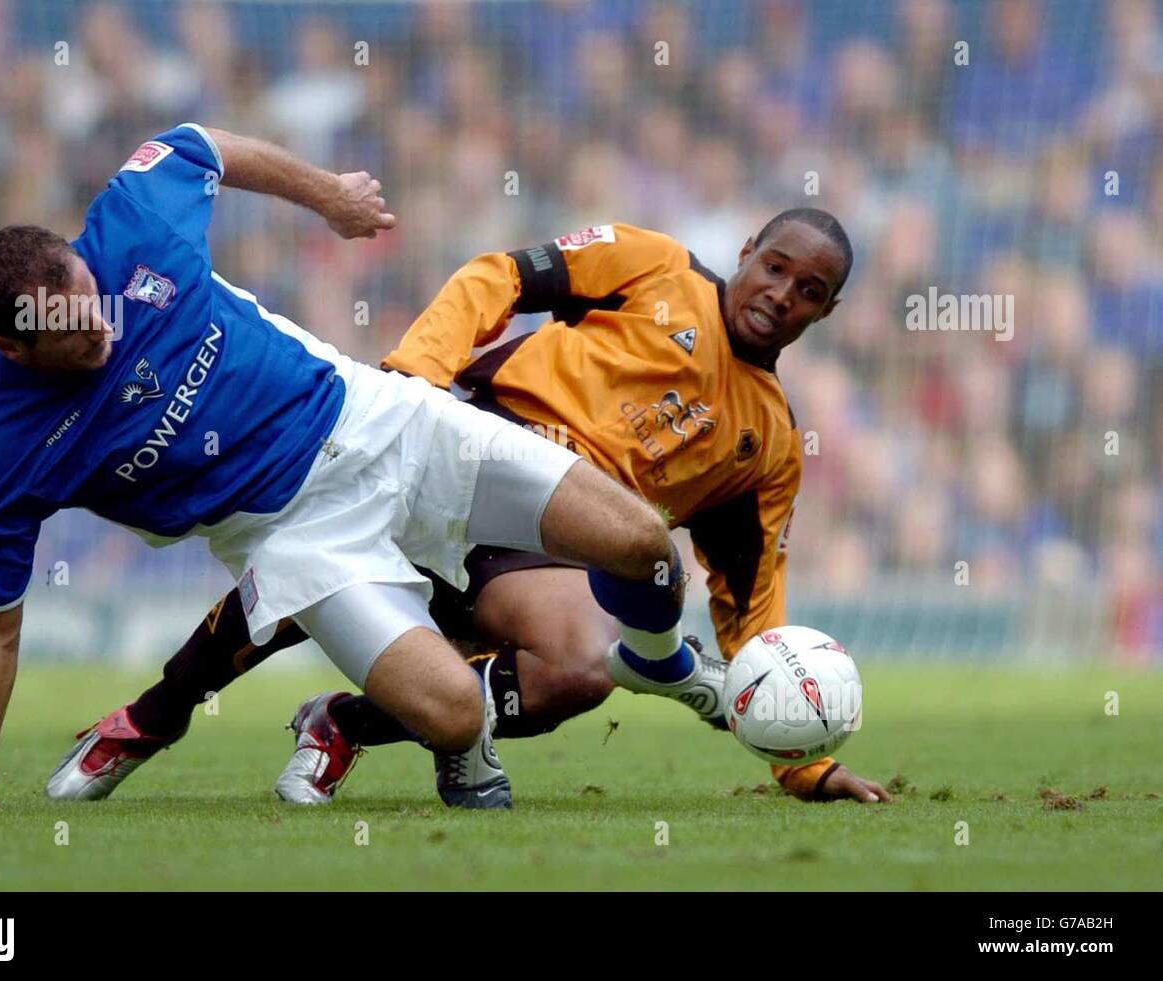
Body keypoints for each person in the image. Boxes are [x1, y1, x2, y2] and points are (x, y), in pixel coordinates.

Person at [0, 124, 692, 812]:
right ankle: (440, 740)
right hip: (298, 538)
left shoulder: (133, 222)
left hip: (380, 419)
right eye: (74, 340)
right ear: (11, 347)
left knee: (642, 543)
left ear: (79, 262)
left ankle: (674, 671)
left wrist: (331, 197)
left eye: (95, 305)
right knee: (455, 710)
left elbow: (204, 145)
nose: (102, 337)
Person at [54, 212, 890, 807]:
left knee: (583, 664)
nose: (782, 293)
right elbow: (504, 274)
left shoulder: (771, 443)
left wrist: (801, 765)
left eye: (808, 289)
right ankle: (151, 718)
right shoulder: (655, 266)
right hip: (475, 439)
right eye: (775, 266)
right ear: (746, 250)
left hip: (548, 549)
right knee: (332, 542)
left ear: (827, 310)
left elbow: (748, 601)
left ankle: (349, 723)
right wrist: (415, 374)